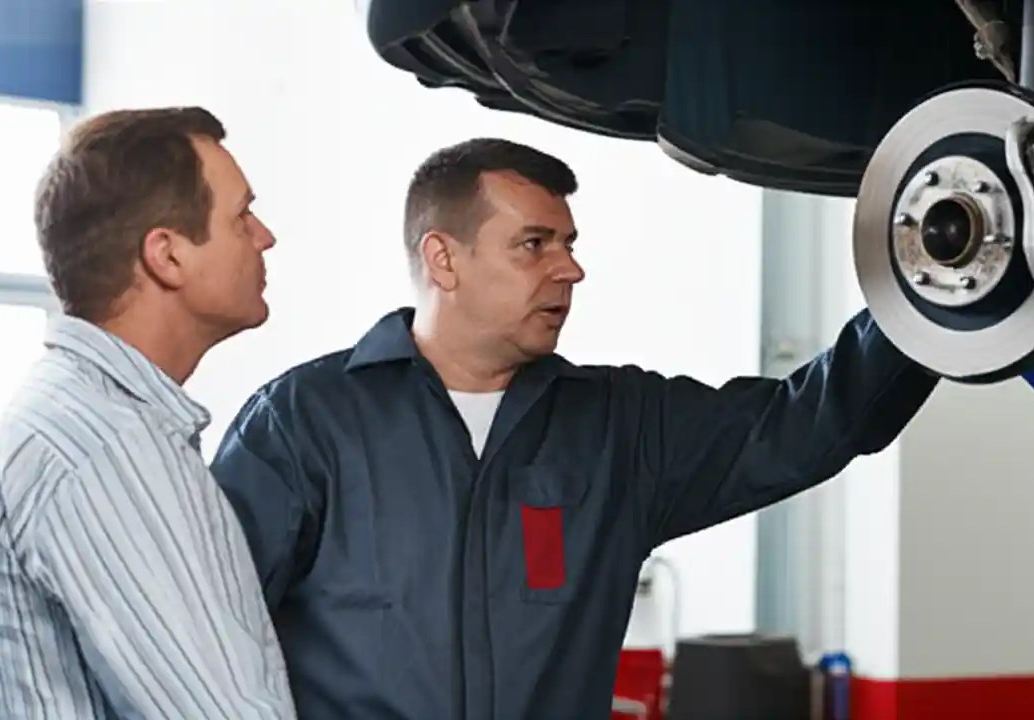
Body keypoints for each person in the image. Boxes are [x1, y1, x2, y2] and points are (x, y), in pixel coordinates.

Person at [210, 138, 939, 718]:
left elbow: (812, 422)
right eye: (534, 244)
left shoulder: (620, 429)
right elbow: (206, 638)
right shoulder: (306, 424)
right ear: (443, 259)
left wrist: (931, 286)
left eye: (568, 242)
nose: (571, 270)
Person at [0, 107, 296, 719]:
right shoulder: (107, 448)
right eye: (241, 215)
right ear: (168, 256)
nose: (265, 235)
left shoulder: (80, 416)